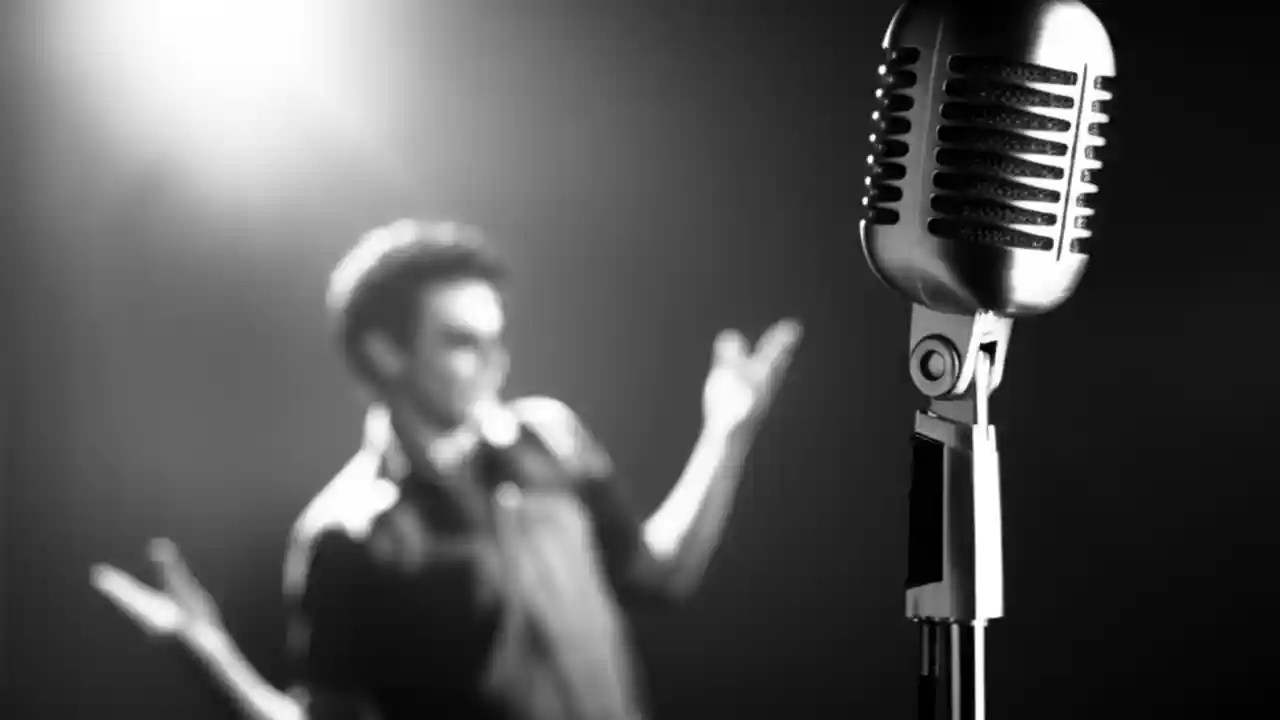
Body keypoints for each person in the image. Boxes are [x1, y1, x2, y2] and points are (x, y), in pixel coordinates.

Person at [91, 218, 803, 720]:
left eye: (498, 338)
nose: (496, 362)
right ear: (384, 353)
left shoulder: (550, 438)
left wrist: (726, 435)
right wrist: (211, 658)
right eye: (463, 342)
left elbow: (660, 575)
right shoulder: (347, 535)